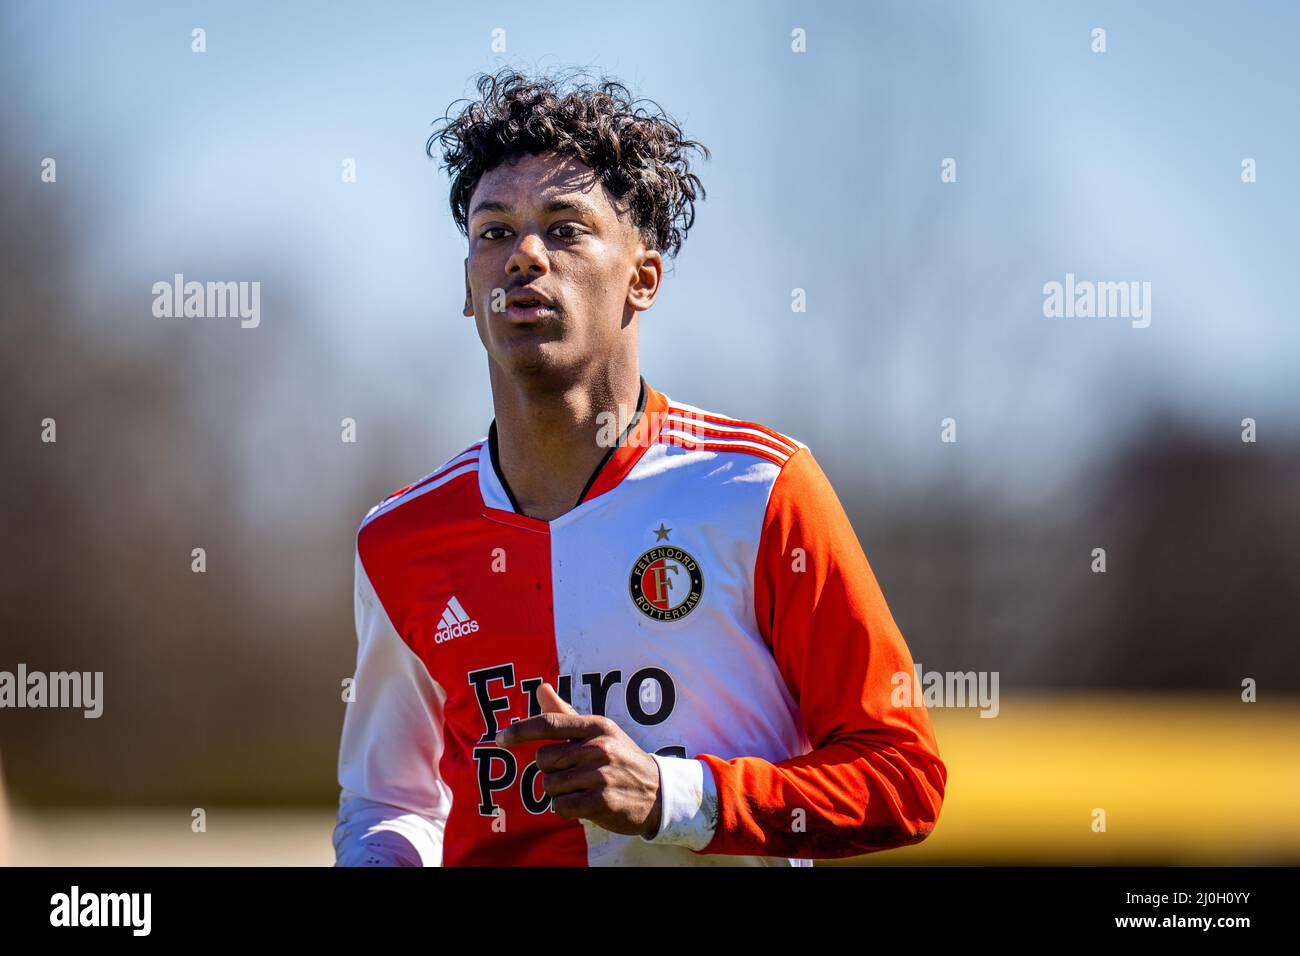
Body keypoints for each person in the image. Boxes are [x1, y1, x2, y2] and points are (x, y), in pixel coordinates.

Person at [332, 68, 945, 866]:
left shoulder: (761, 491)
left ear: (642, 279)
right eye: (493, 231)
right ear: (467, 286)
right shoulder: (399, 540)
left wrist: (674, 798)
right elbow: (389, 801)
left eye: (563, 228)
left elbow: (903, 778)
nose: (523, 255)